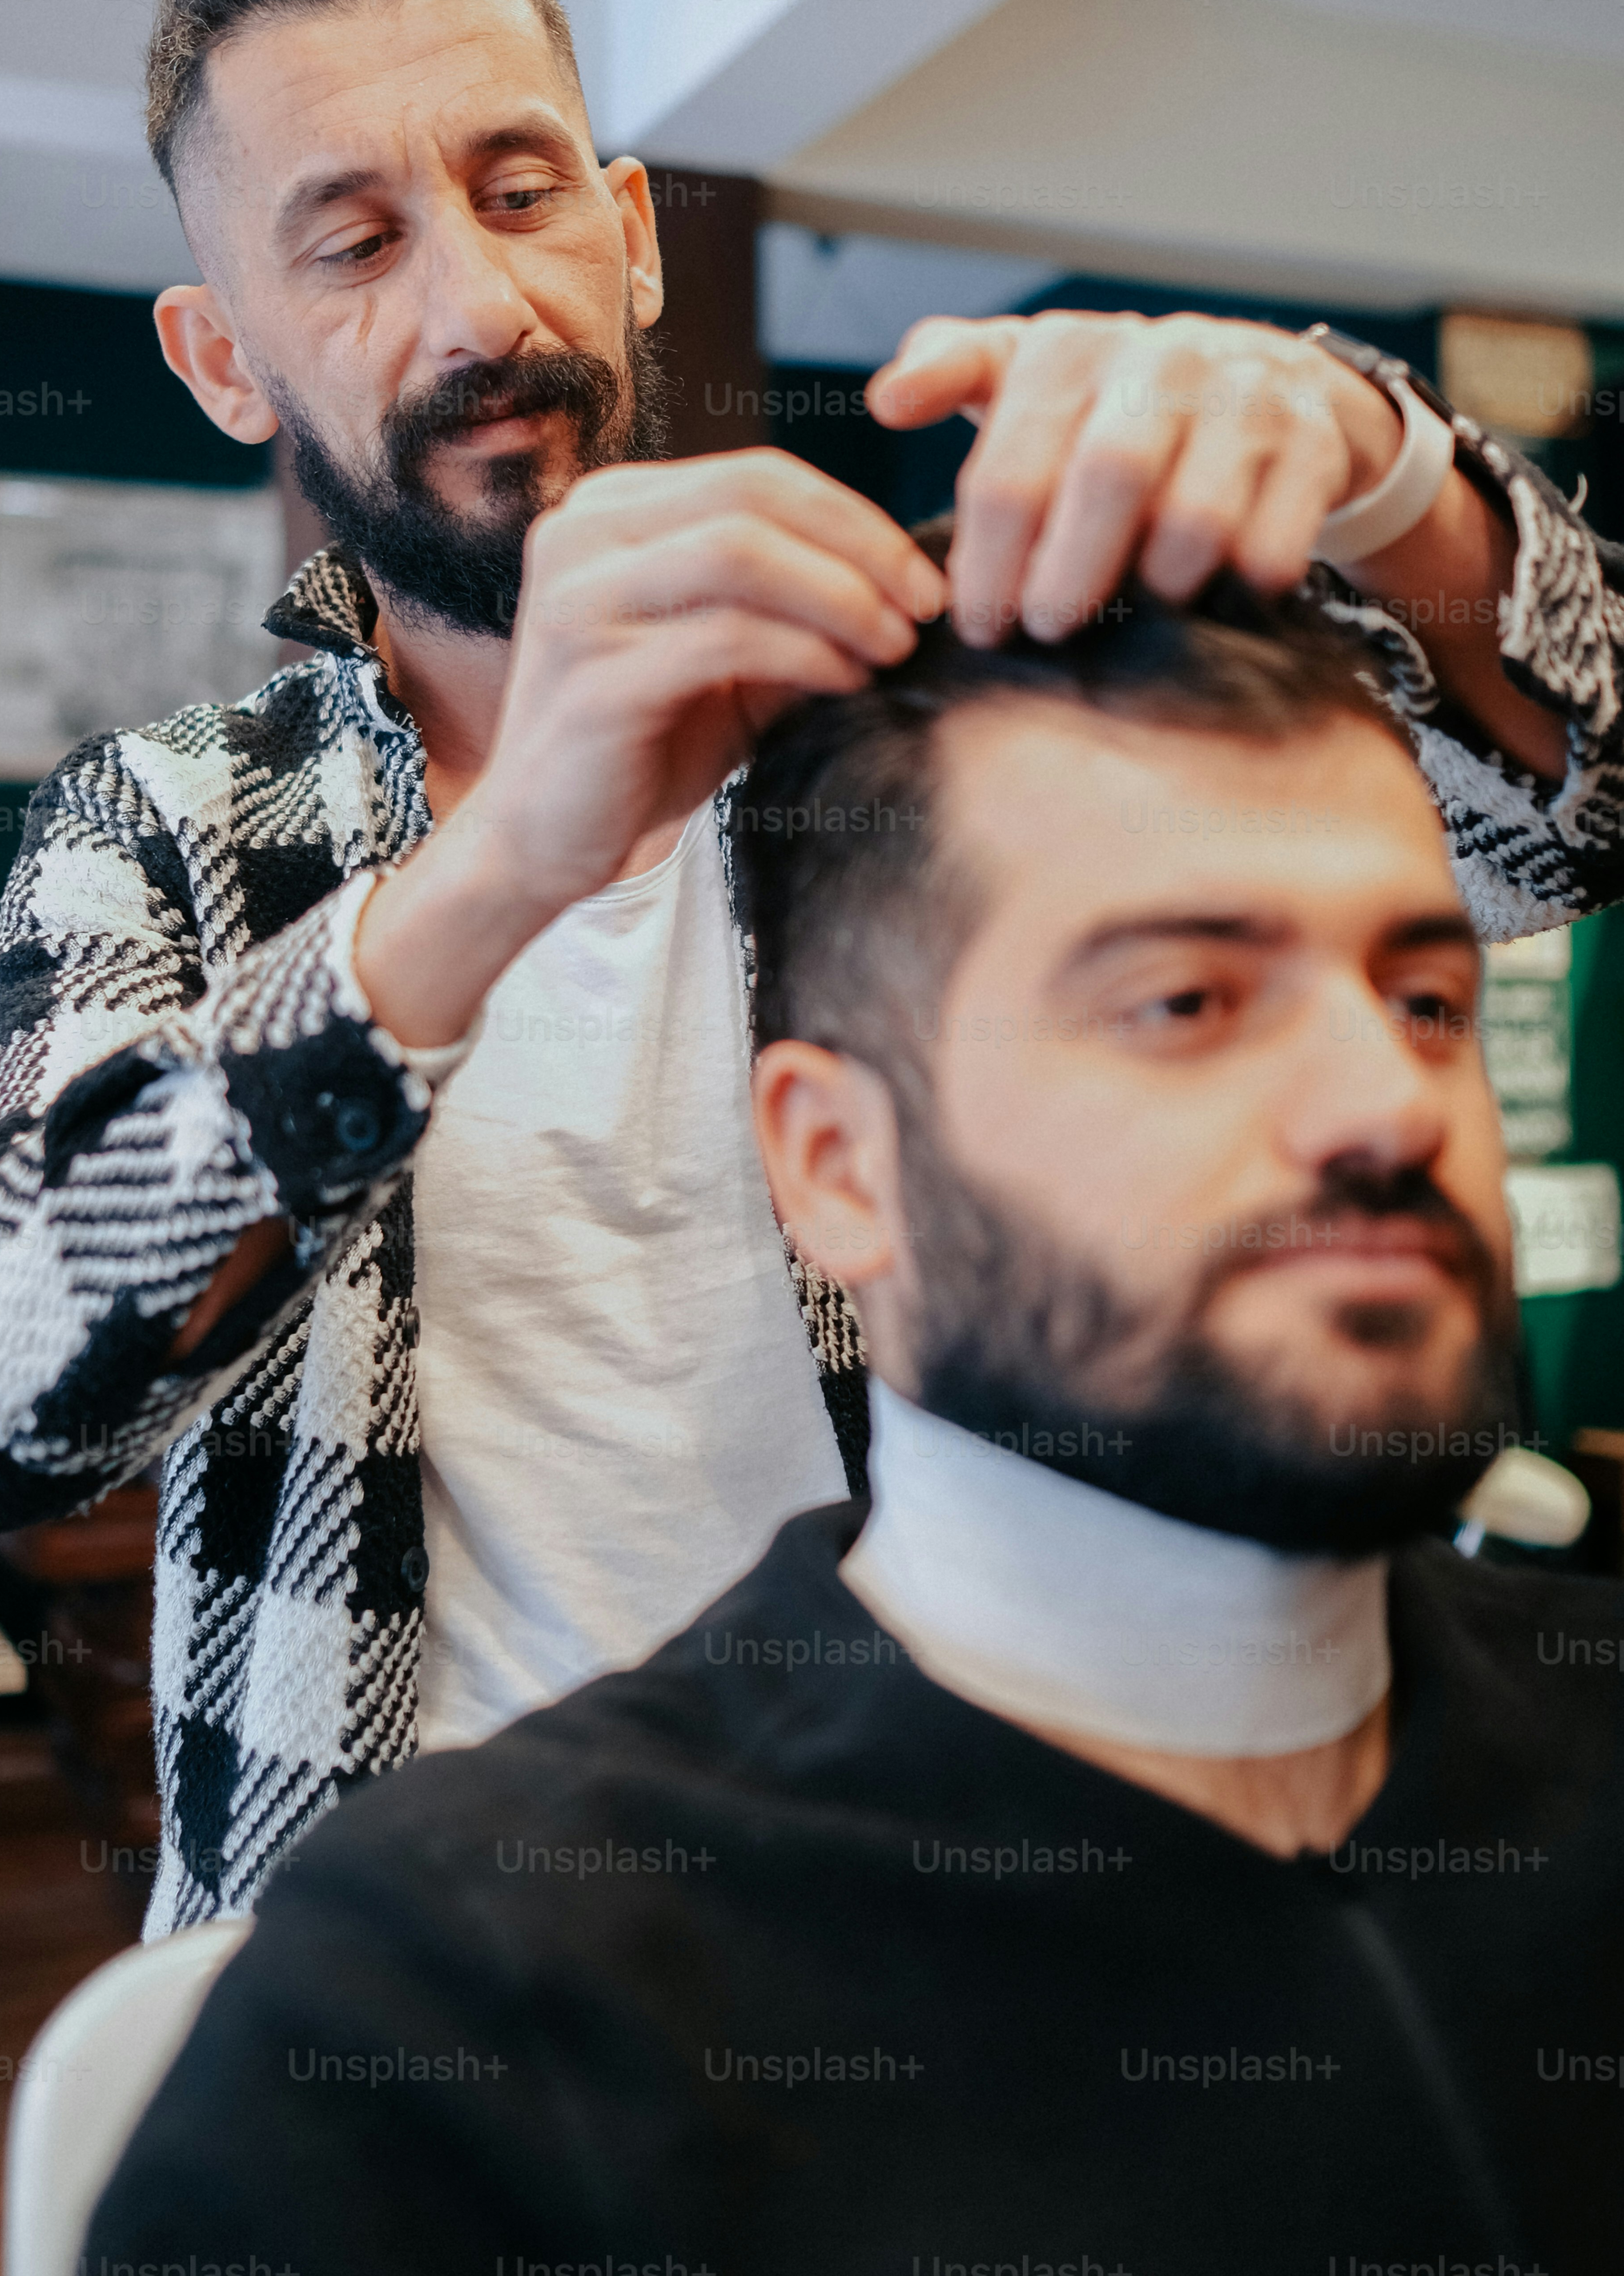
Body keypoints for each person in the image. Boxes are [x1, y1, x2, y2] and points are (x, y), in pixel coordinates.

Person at [0, 0, 1624, 1934]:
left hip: (967, 1942)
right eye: (351, 244)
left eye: (519, 195)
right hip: (397, 2012)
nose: (472, 311)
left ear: (625, 242)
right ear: (224, 360)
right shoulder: (170, 827)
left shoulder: (963, 689)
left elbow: (1579, 821)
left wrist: (1388, 469)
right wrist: (498, 872)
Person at [89, 570, 1624, 2275]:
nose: (1383, 1107)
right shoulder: (447, 2024)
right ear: (836, 1163)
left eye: (1427, 1005)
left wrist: (1413, 488)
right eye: (1187, 1001)